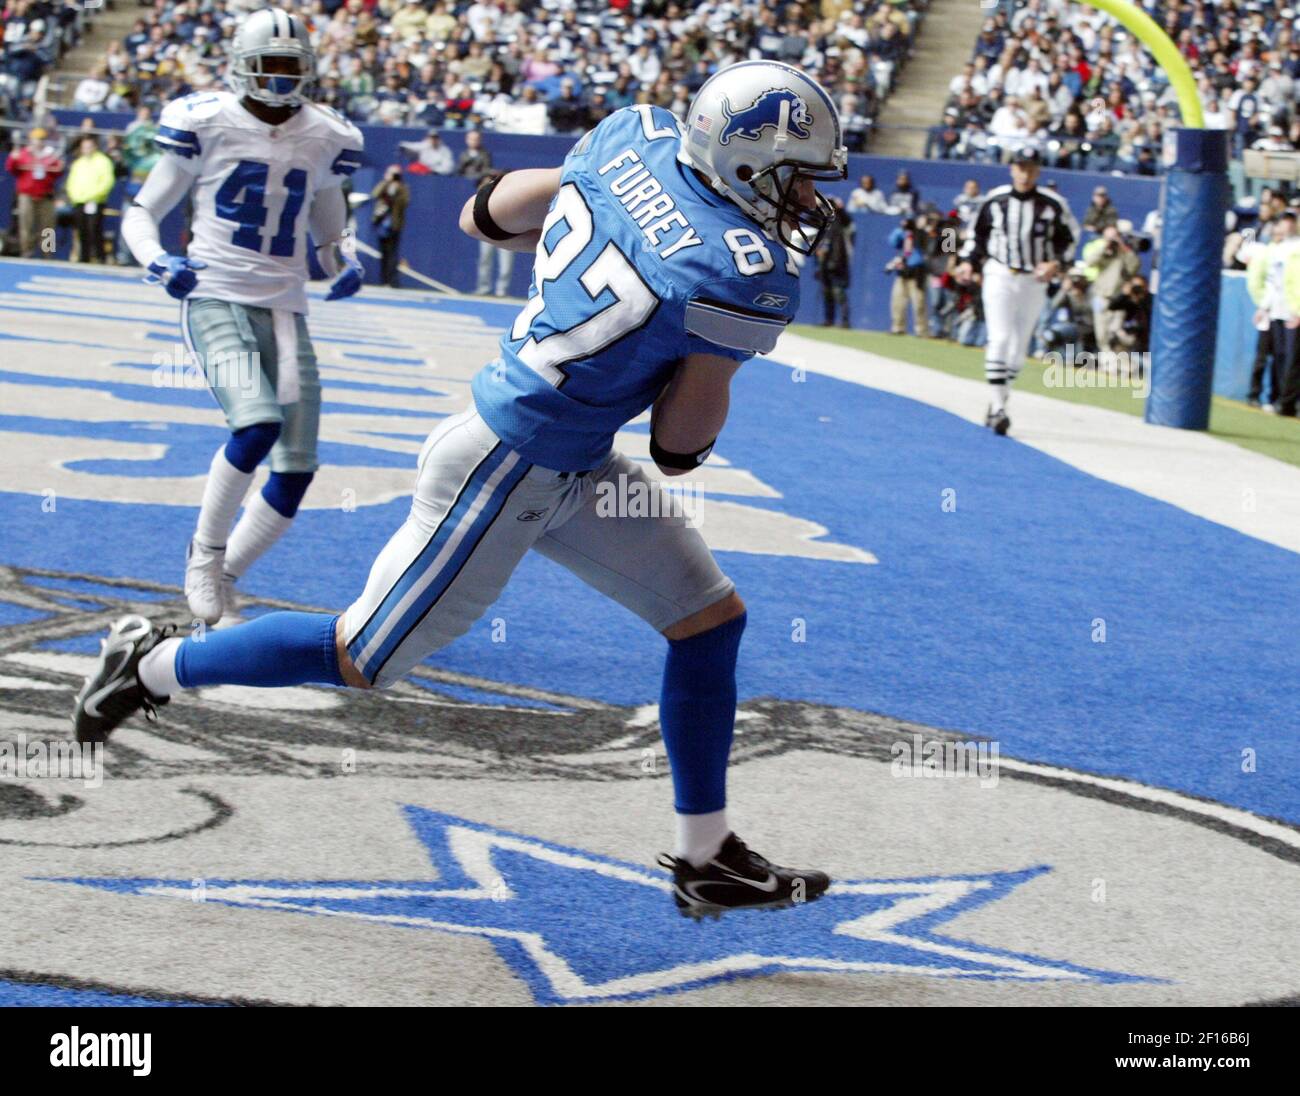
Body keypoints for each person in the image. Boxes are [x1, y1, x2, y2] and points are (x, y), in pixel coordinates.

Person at [74, 61, 847, 921]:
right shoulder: (738, 269)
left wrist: (610, 211)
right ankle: (150, 664)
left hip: (567, 453)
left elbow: (488, 214)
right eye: (797, 179)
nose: (807, 201)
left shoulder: (637, 134)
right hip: (508, 465)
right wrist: (719, 351)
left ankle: (706, 857)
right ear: (743, 161)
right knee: (359, 656)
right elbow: (677, 447)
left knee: (708, 622)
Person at [117, 8, 366, 626]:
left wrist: (345, 261)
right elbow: (140, 212)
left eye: (291, 67)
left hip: (286, 305)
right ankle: (203, 555)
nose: (280, 79)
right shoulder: (206, 122)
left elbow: (330, 229)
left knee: (298, 469)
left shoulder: (327, 135)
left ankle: (226, 578)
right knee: (255, 426)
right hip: (218, 293)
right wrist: (157, 261)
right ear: (241, 65)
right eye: (269, 65)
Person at [955, 148, 1079, 434]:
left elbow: (1070, 238)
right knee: (998, 338)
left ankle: (999, 397)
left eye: (1031, 168)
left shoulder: (1053, 204)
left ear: (1038, 172)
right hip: (1000, 272)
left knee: (1019, 350)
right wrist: (967, 263)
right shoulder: (995, 200)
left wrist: (1056, 263)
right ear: (1012, 169)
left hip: (1033, 279)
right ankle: (999, 408)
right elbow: (977, 236)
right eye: (1020, 167)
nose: (1025, 174)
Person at [1246, 210, 1300, 414]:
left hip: (1292, 310)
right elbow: (1273, 281)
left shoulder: (1293, 248)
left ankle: (1285, 402)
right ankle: (1274, 397)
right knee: (1276, 356)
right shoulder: (1269, 248)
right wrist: (1264, 306)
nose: (1285, 226)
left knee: (1290, 358)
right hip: (1278, 309)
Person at [5, 127, 63, 258]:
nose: (38, 142)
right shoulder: (23, 154)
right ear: (31, 140)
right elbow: (12, 170)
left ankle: (48, 253)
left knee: (48, 226)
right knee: (26, 224)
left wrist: (58, 166)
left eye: (41, 139)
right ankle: (27, 251)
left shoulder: (51, 156)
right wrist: (13, 159)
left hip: (46, 195)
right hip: (26, 195)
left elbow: (57, 173)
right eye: (36, 139)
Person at [65, 135, 117, 264]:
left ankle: (100, 256)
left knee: (94, 229)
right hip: (79, 201)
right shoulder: (78, 163)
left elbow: (107, 181)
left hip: (95, 201)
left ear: (95, 147)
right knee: (81, 230)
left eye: (88, 147)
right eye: (84, 147)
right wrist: (74, 196)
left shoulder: (103, 161)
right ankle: (84, 257)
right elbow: (71, 182)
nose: (86, 150)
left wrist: (94, 195)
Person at [887, 216, 928, 335]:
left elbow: (924, 246)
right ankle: (897, 327)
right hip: (903, 272)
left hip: (917, 273)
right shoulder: (904, 234)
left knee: (918, 303)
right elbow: (892, 241)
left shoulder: (922, 234)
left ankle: (921, 330)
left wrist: (919, 229)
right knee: (897, 301)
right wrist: (901, 228)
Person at [815, 196, 853, 327]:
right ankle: (829, 320)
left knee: (838, 292)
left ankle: (845, 321)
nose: (825, 210)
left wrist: (838, 207)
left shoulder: (838, 221)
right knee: (827, 293)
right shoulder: (821, 223)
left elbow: (847, 220)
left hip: (837, 262)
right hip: (824, 263)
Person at [371, 165, 409, 287]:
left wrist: (396, 189)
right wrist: (386, 182)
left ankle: (392, 281)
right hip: (382, 222)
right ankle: (384, 279)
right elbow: (375, 194)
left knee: (392, 253)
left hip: (394, 224)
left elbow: (405, 202)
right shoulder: (384, 185)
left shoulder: (403, 188)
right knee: (383, 253)